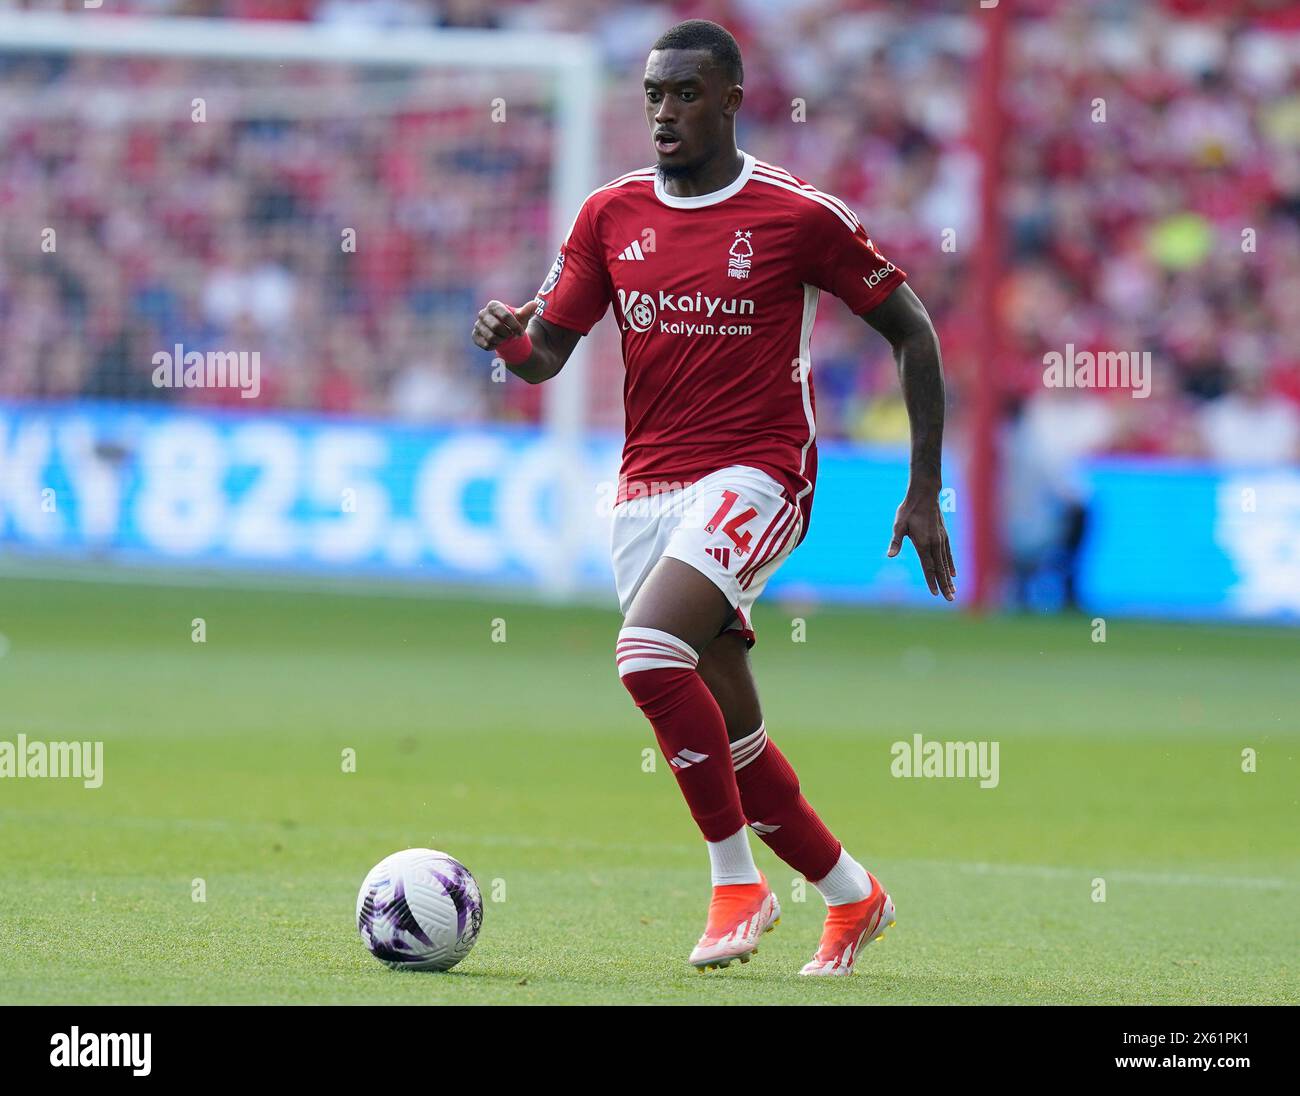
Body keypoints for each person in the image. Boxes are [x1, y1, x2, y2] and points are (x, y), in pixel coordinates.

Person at [472, 19, 954, 976]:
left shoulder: (795, 216)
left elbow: (914, 332)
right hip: (645, 491)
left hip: (760, 470)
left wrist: (925, 487)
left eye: (685, 94)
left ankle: (737, 883)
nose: (664, 112)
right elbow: (548, 358)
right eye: (653, 94)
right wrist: (509, 344)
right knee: (734, 736)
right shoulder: (608, 215)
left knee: (647, 657)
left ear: (730, 100)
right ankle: (854, 896)